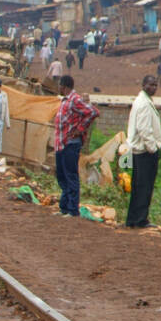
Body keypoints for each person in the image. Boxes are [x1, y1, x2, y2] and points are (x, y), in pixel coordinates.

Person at [53, 76, 98, 216]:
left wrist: (80, 128)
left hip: (70, 143)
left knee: (70, 175)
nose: (58, 88)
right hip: (61, 143)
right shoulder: (65, 100)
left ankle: (72, 209)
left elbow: (92, 112)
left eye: (60, 85)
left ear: (64, 86)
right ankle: (64, 207)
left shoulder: (74, 99)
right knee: (62, 176)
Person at [124, 74, 161, 228]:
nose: (153, 88)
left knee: (139, 186)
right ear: (143, 85)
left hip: (139, 151)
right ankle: (140, 219)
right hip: (145, 151)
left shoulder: (143, 101)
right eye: (150, 85)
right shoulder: (144, 104)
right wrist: (152, 148)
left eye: (155, 85)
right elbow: (144, 129)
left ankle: (133, 219)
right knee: (144, 187)